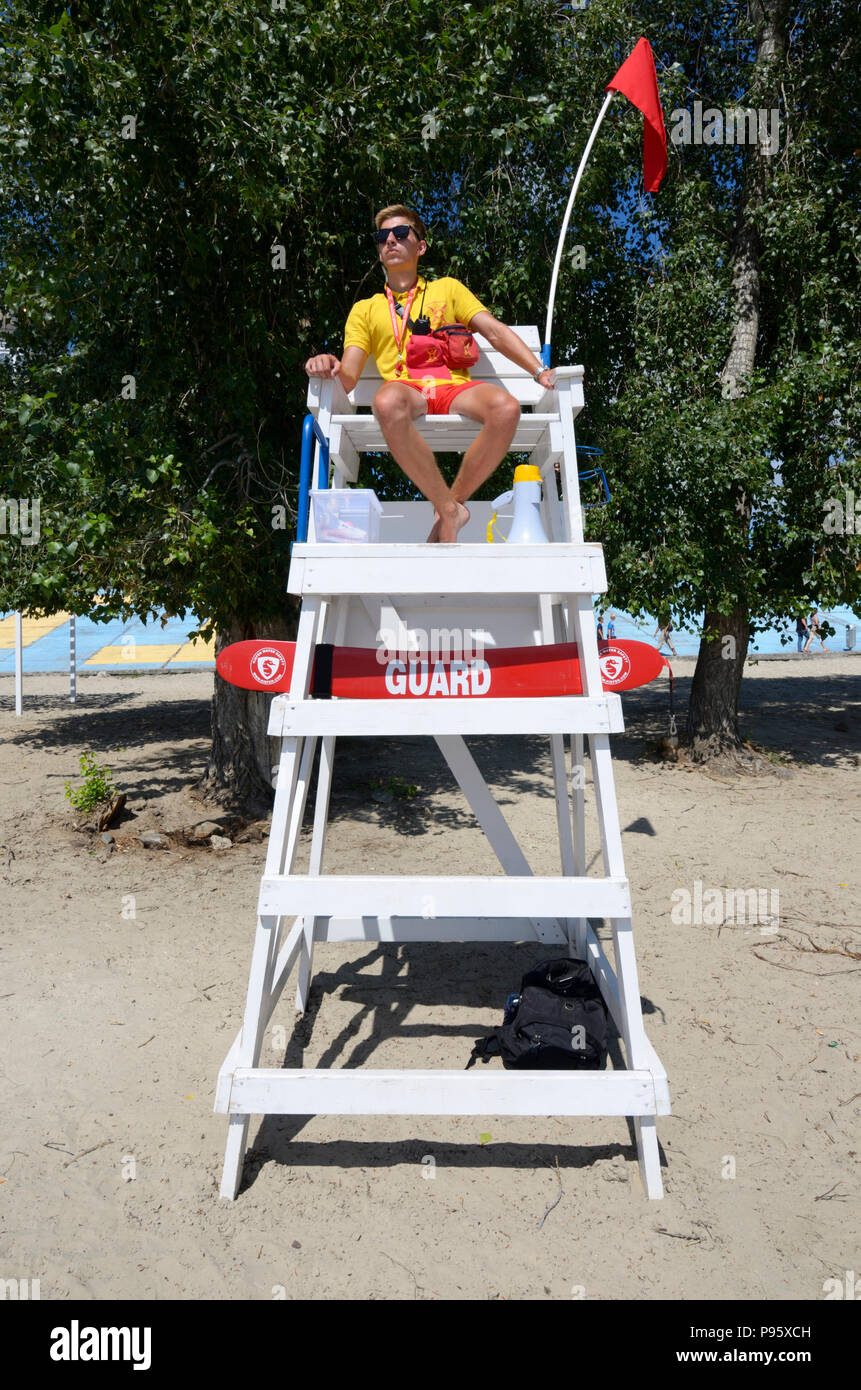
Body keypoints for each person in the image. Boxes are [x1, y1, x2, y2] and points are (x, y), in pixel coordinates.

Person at [304, 205, 556, 542]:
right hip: (407, 389)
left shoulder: (447, 289)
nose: (390, 240)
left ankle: (449, 507)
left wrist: (540, 372)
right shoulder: (365, 309)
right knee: (386, 400)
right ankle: (451, 510)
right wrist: (328, 365)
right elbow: (348, 376)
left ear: (420, 246)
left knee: (507, 408)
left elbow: (494, 332)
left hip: (453, 387)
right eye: (382, 236)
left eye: (401, 233)